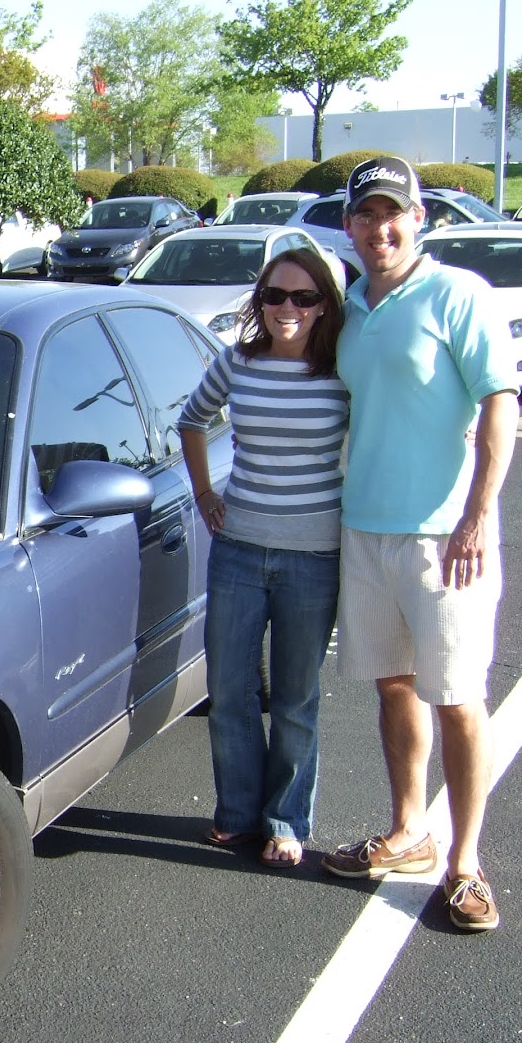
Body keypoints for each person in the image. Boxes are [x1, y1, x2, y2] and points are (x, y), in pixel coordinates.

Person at [319, 156, 519, 931]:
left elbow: (500, 405)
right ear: (349, 224)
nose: (380, 228)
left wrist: (477, 514)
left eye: (393, 213)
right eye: (366, 215)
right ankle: (409, 831)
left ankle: (465, 865)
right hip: (365, 531)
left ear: (422, 218)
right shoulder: (354, 307)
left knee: (460, 699)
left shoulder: (458, 295)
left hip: (447, 539)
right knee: (394, 686)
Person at [179, 247, 349, 870]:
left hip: (315, 556)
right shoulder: (237, 363)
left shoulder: (340, 371)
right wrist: (204, 492)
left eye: (305, 298)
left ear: (324, 305)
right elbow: (191, 419)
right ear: (260, 301)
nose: (288, 309)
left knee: (297, 698)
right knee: (229, 690)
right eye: (275, 296)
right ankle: (237, 814)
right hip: (240, 550)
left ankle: (286, 819)